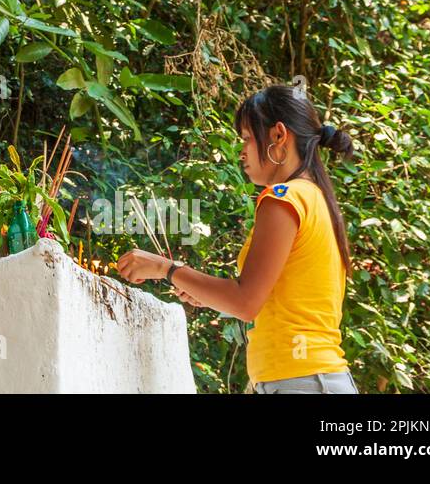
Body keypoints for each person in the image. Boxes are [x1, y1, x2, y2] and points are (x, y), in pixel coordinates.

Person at [117, 84, 359, 393]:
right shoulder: (315, 198)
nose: (242, 151)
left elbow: (245, 303)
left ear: (279, 135)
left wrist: (165, 268)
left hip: (304, 382)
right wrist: (202, 291)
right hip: (310, 380)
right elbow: (270, 303)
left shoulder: (284, 198)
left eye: (246, 138)